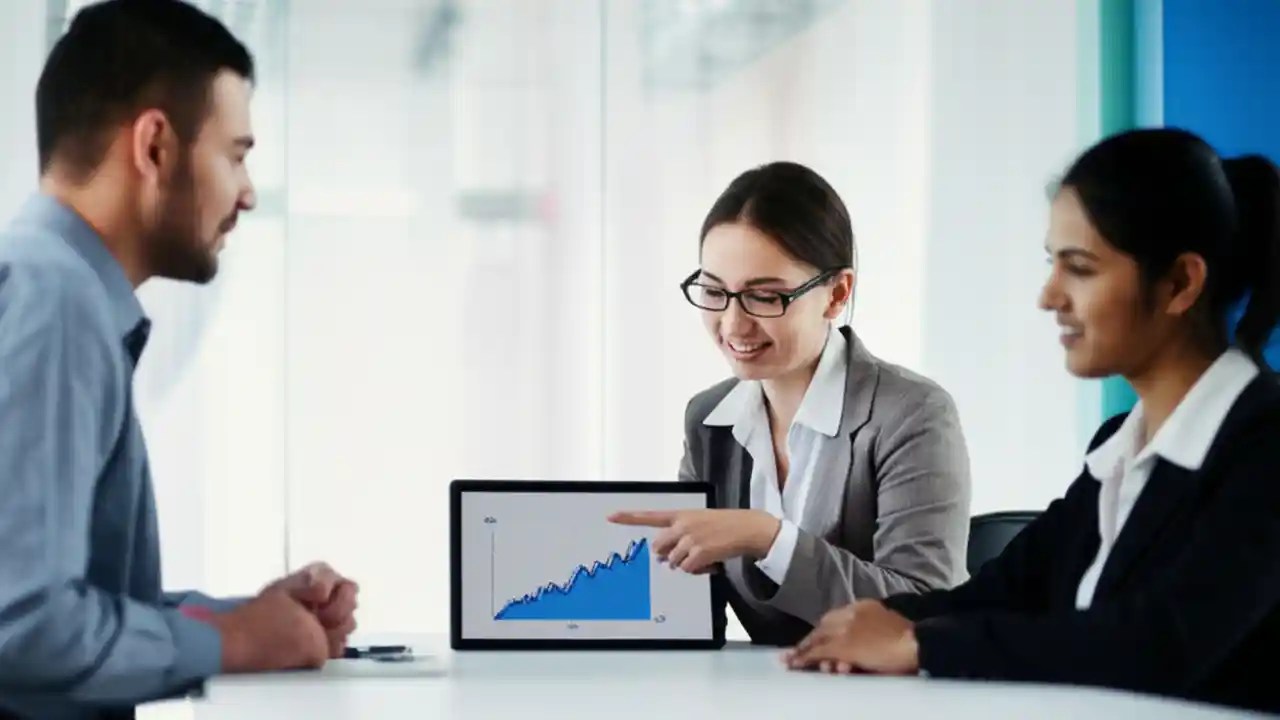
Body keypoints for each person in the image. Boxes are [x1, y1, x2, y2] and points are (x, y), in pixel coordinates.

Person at [782, 128, 1280, 713]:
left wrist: (921, 644)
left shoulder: (1264, 443)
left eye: (1081, 268)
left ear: (1179, 283)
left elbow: (1161, 640)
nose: (1049, 296)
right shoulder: (1122, 446)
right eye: (1053, 264)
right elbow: (1010, 590)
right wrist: (879, 619)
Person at [0, 1, 357, 718]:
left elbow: (57, 602)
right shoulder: (57, 302)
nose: (248, 193)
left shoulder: (53, 290)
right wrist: (234, 645)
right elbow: (24, 624)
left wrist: (245, 620)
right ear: (155, 147)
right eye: (236, 154)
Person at [610, 161, 972, 646]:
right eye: (715, 292)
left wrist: (767, 538)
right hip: (769, 694)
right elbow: (695, 599)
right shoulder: (708, 419)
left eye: (764, 297)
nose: (734, 325)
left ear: (836, 293)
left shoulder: (911, 414)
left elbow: (923, 607)